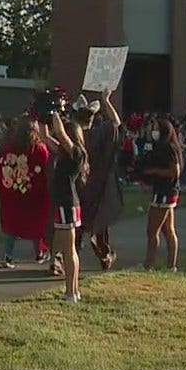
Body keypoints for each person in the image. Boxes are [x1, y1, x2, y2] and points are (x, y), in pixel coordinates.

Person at [0, 115, 51, 268]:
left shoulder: (8, 149)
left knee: (11, 225)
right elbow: (46, 170)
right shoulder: (39, 150)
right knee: (36, 224)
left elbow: (1, 169)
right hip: (35, 196)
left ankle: (8, 255)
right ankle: (39, 253)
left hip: (13, 194)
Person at [43, 111, 88, 302]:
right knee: (69, 250)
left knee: (69, 251)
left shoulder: (76, 152)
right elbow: (46, 137)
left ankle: (71, 292)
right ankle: (74, 290)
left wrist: (55, 113)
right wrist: (42, 116)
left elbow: (60, 134)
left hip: (66, 203)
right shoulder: (65, 151)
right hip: (68, 204)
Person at [77, 91, 124, 271]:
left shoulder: (74, 134)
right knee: (98, 227)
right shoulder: (99, 134)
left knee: (75, 228)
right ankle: (104, 256)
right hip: (96, 187)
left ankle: (62, 260)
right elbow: (116, 122)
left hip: (80, 187)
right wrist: (106, 100)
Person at [141, 118, 182, 271]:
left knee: (152, 230)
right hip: (165, 191)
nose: (153, 131)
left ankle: (148, 264)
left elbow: (174, 171)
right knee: (168, 230)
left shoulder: (169, 148)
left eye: (156, 128)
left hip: (165, 193)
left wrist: (154, 172)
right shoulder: (163, 147)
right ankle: (171, 266)